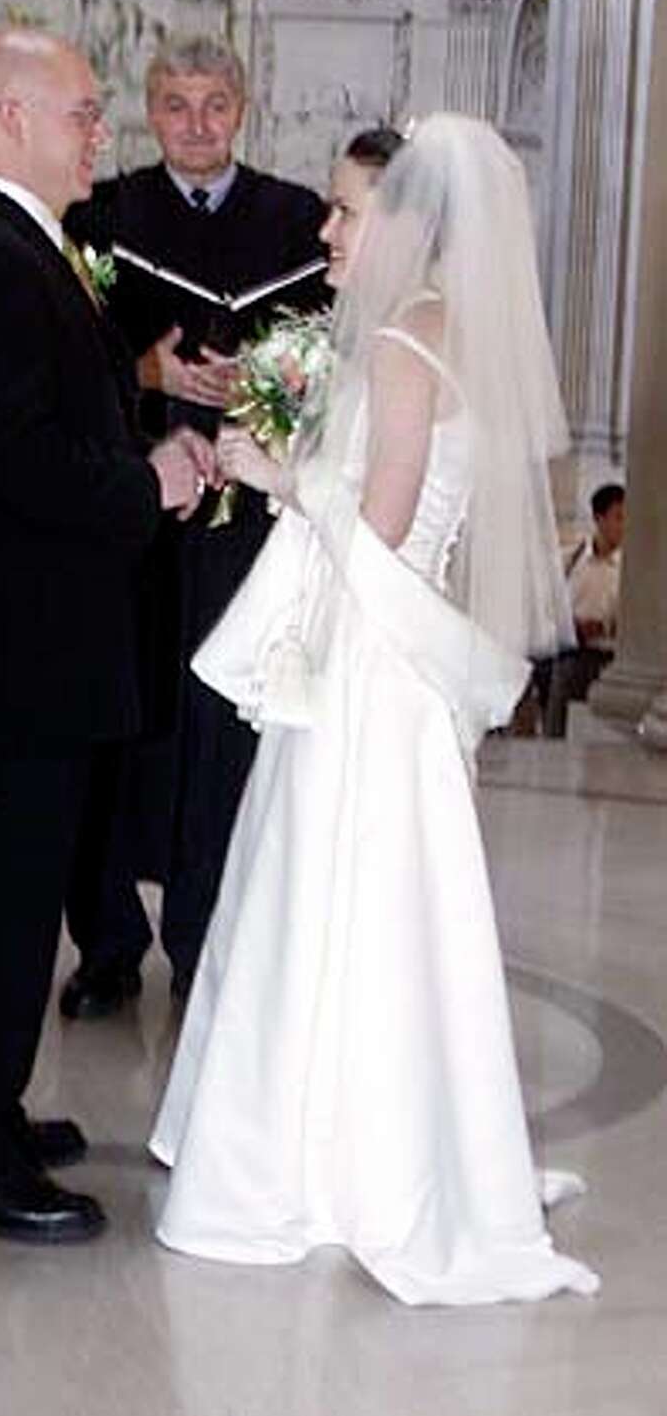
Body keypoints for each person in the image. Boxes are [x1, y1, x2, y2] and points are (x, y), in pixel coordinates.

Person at [149, 115, 600, 1305]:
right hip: (377, 665)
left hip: (369, 667)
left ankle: (318, 1158)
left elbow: (383, 533)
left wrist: (270, 473)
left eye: (348, 211)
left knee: (334, 889)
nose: (326, 228)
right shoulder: (436, 335)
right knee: (374, 899)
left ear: (408, 223)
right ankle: (364, 1134)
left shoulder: (407, 343)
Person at [0, 27, 216, 1243]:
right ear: (11, 121)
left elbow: (49, 424)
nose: (103, 133)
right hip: (15, 647)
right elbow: (16, 462)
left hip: (29, 646)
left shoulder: (17, 247)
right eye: (84, 114)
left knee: (6, 894)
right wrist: (153, 488)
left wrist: (141, 446)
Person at [59, 34, 329, 1017]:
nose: (197, 123)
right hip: (128, 521)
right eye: (176, 104)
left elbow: (331, 360)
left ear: (244, 107)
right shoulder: (102, 221)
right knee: (117, 724)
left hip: (241, 525)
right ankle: (108, 945)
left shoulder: (300, 224)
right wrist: (147, 377)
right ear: (149, 110)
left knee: (220, 732)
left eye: (215, 102)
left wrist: (260, 389)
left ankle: (209, 939)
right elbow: (62, 360)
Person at [543, 482, 625, 736]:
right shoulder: (573, 558)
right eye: (618, 517)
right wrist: (571, 625)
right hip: (572, 657)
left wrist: (606, 626)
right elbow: (551, 601)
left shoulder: (628, 568)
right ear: (599, 519)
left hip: (610, 659)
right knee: (557, 725)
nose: (623, 526)